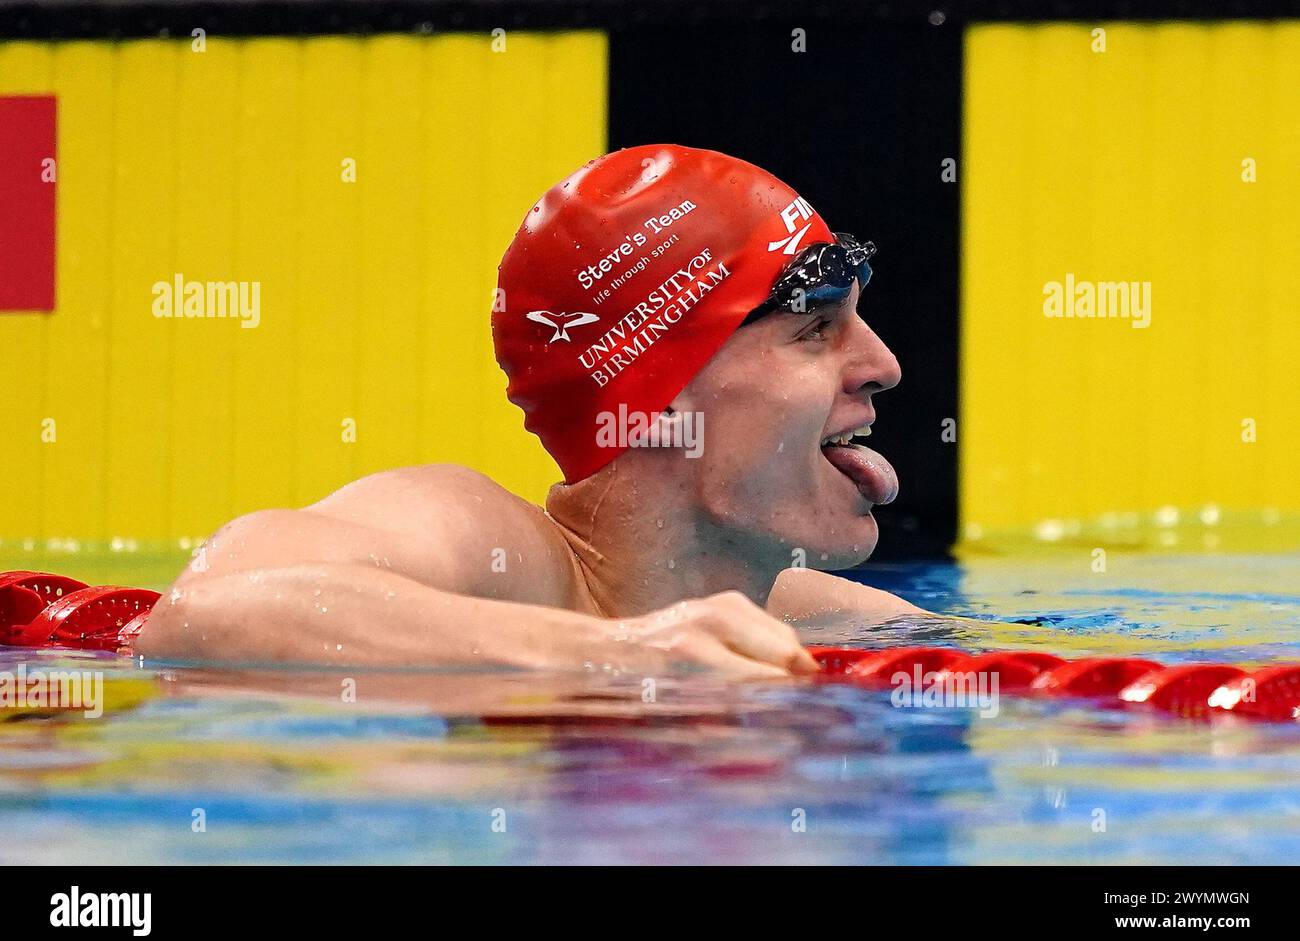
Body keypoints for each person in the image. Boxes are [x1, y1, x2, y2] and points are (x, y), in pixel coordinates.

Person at [139, 144, 928, 677]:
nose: (883, 365)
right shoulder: (492, 553)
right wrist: (618, 654)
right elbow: (204, 614)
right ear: (653, 385)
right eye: (815, 328)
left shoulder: (825, 615)